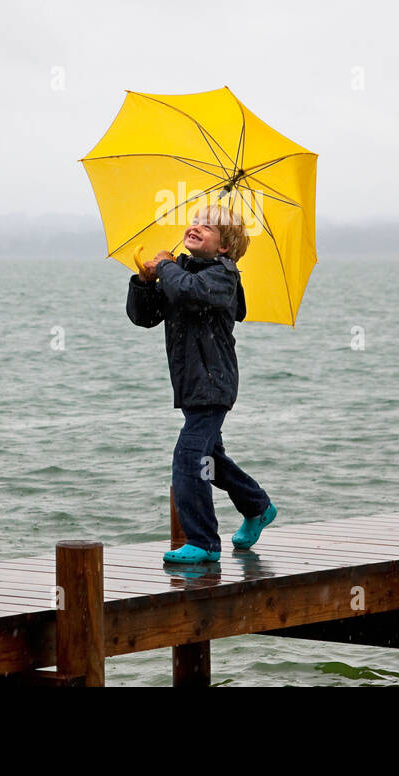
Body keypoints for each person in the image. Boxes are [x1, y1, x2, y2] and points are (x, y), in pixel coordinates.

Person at [126, 202, 277, 563]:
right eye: (195, 221)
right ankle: (257, 506)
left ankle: (205, 542)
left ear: (224, 247)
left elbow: (189, 292)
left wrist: (163, 266)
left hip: (213, 384)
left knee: (190, 457)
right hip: (191, 385)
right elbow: (144, 317)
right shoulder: (180, 274)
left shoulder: (222, 277)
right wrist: (146, 283)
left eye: (207, 227)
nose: (195, 227)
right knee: (211, 458)